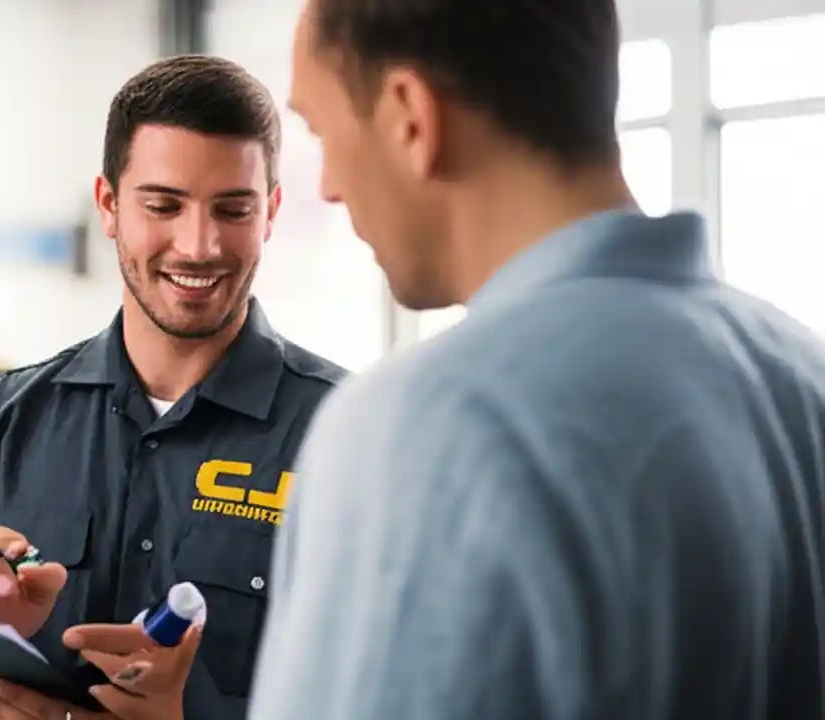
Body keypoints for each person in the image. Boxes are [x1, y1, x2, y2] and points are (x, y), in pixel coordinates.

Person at [249, 1, 825, 718]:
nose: (329, 184)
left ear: (408, 117)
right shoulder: (801, 376)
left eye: (322, 132)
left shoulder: (424, 430)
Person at [0, 54, 346, 720]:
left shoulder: (348, 437)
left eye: (232, 209)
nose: (198, 245)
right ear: (109, 206)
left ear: (270, 213)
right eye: (163, 205)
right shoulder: (11, 420)